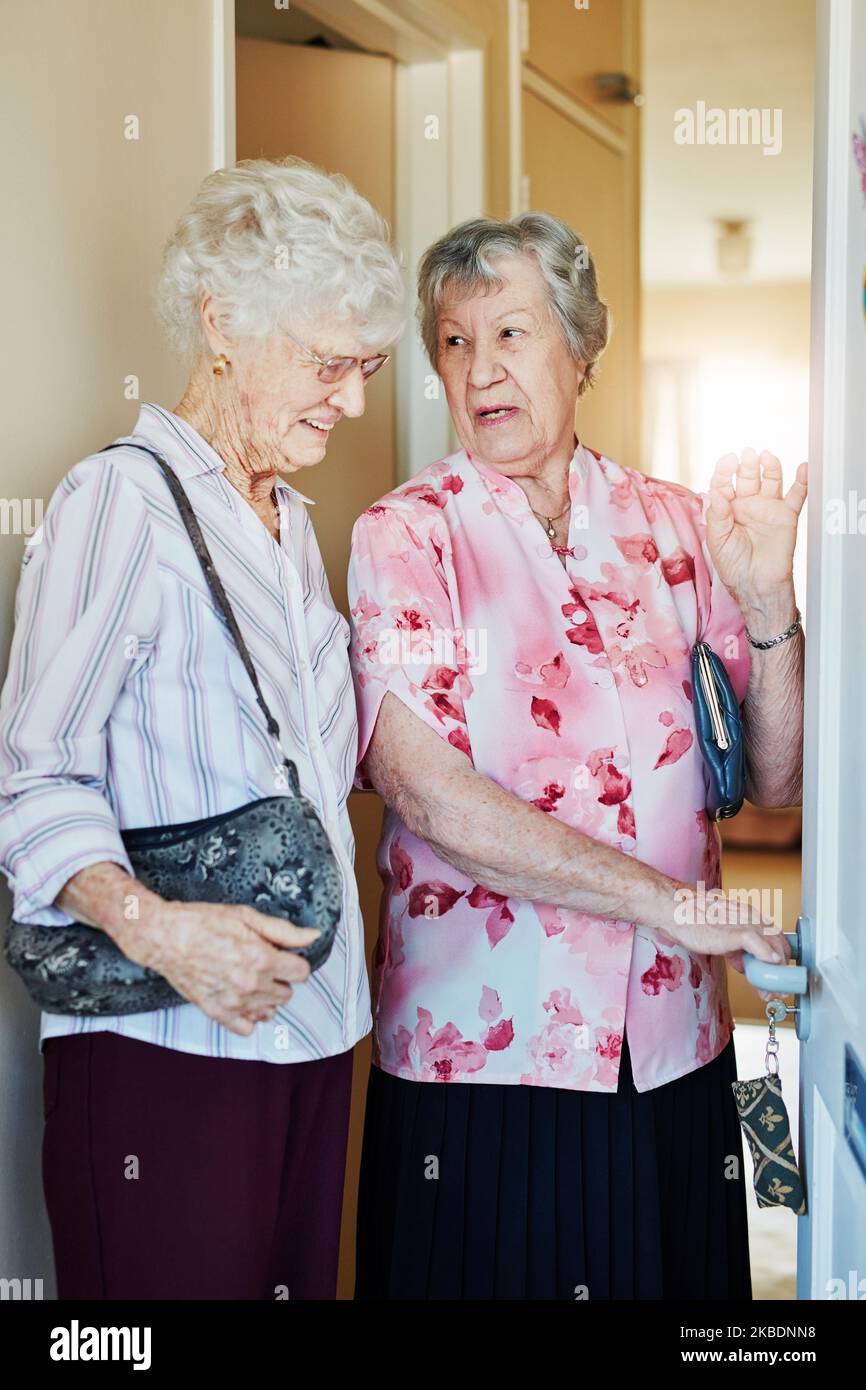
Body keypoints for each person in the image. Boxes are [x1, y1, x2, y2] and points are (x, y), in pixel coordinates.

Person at [347, 212, 806, 1300]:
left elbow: (777, 783)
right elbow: (428, 793)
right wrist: (661, 901)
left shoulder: (677, 526)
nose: (478, 368)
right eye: (452, 342)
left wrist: (766, 603)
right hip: (483, 1059)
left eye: (509, 332)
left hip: (673, 1044)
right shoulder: (407, 536)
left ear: (579, 346)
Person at [0, 157, 404, 1300]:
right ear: (224, 322)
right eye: (330, 363)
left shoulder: (289, 528)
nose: (354, 401)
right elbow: (33, 780)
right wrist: (166, 935)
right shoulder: (114, 502)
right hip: (165, 1047)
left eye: (366, 367)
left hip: (316, 1028)